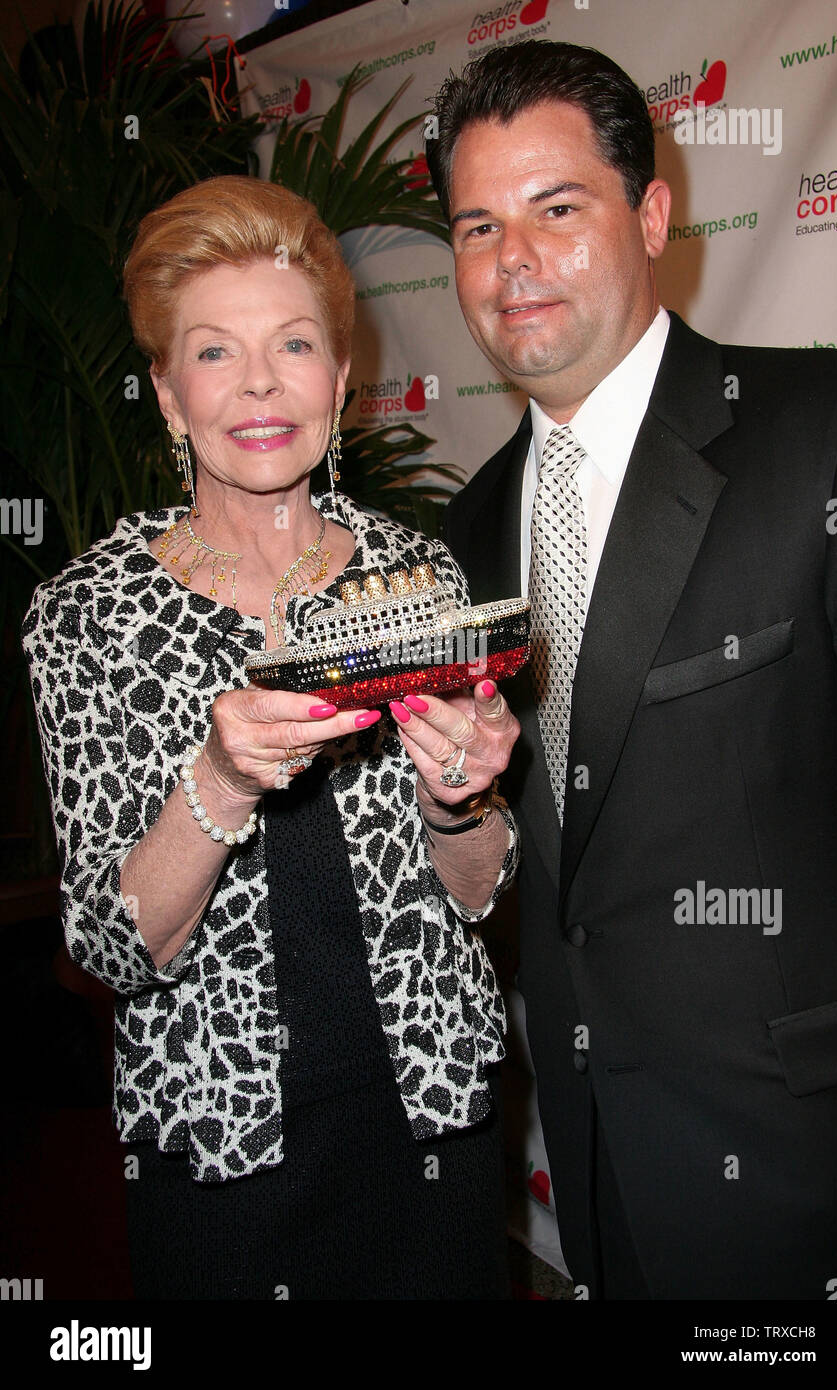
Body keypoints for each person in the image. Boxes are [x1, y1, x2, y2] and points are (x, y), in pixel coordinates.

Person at [21, 175, 523, 1300]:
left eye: (293, 344)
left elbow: (483, 886)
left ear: (339, 380)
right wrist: (217, 777)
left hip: (430, 1117)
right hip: (221, 1150)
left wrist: (461, 796)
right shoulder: (85, 616)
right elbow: (109, 944)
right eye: (212, 352)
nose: (257, 381)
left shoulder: (417, 575)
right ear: (163, 391)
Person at [427, 41, 837, 1300]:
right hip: (594, 1167)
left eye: (555, 209)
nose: (512, 260)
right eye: (475, 224)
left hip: (805, 1168)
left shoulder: (824, 431)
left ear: (653, 214)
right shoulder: (464, 536)